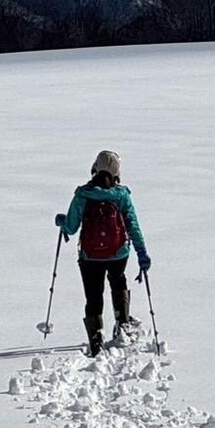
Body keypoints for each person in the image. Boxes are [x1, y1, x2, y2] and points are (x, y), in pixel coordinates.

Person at [55, 149, 151, 356]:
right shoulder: (121, 195)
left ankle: (96, 341)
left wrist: (62, 221)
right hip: (118, 253)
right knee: (118, 282)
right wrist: (142, 252)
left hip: (90, 256)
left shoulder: (83, 194)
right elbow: (132, 225)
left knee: (93, 296)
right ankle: (122, 324)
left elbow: (71, 227)